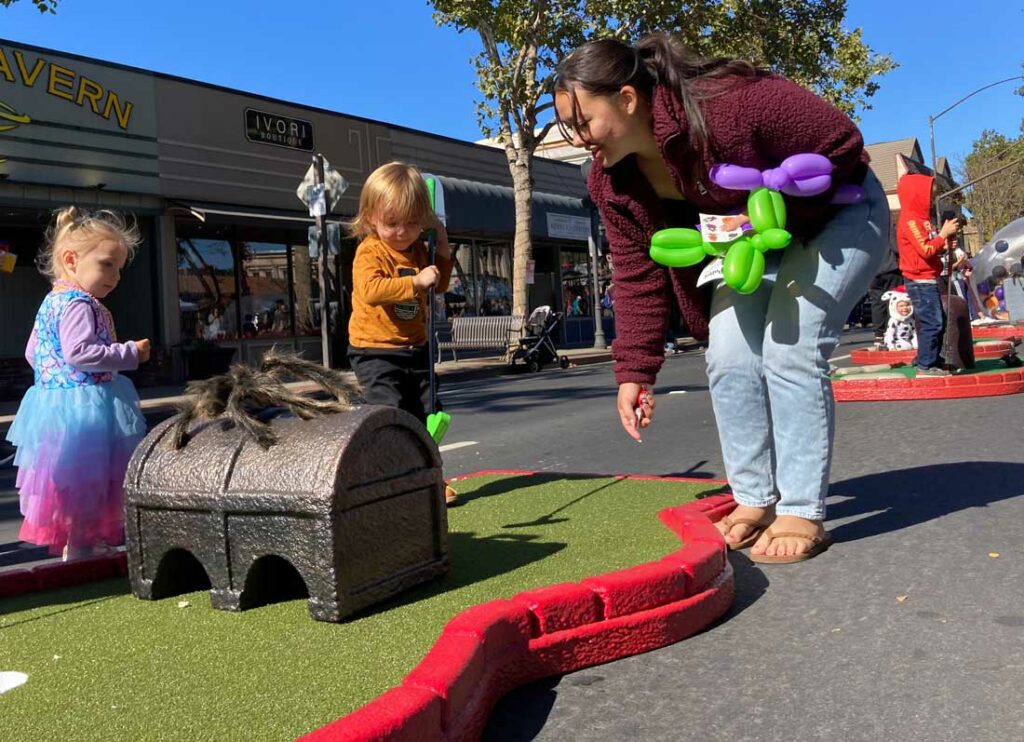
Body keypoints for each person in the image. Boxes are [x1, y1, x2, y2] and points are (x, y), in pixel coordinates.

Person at [554, 33, 889, 563]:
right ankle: (755, 498)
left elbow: (841, 140)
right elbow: (638, 274)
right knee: (729, 357)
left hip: (835, 216)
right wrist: (635, 372)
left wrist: (773, 198)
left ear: (627, 98)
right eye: (570, 127)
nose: (579, 138)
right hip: (749, 245)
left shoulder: (725, 105)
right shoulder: (611, 183)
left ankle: (802, 509)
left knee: (790, 347)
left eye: (583, 121)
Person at [5, 207, 149, 561]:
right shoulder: (79, 304)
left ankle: (80, 543)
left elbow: (31, 352)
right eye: (106, 264)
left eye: (118, 267)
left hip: (54, 404)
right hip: (86, 406)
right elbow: (80, 353)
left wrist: (52, 376)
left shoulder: (52, 301)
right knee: (92, 482)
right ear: (71, 260)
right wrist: (130, 353)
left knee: (73, 484)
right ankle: (84, 548)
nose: (115, 276)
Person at [346, 161, 458, 506]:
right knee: (389, 413)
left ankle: (428, 478)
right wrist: (413, 281)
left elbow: (439, 285)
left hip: (415, 347)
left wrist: (440, 241)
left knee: (428, 415)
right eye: (392, 223)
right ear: (370, 218)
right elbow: (371, 290)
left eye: (412, 223)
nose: (402, 232)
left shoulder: (419, 248)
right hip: (375, 350)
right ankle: (387, 479)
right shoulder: (370, 251)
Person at [895, 174, 959, 375]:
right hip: (919, 279)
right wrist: (942, 235)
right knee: (933, 322)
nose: (930, 201)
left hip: (928, 276)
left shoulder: (924, 221)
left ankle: (932, 359)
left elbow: (932, 248)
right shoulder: (910, 221)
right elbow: (925, 250)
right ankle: (925, 365)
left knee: (937, 320)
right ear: (917, 196)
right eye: (929, 196)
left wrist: (945, 244)